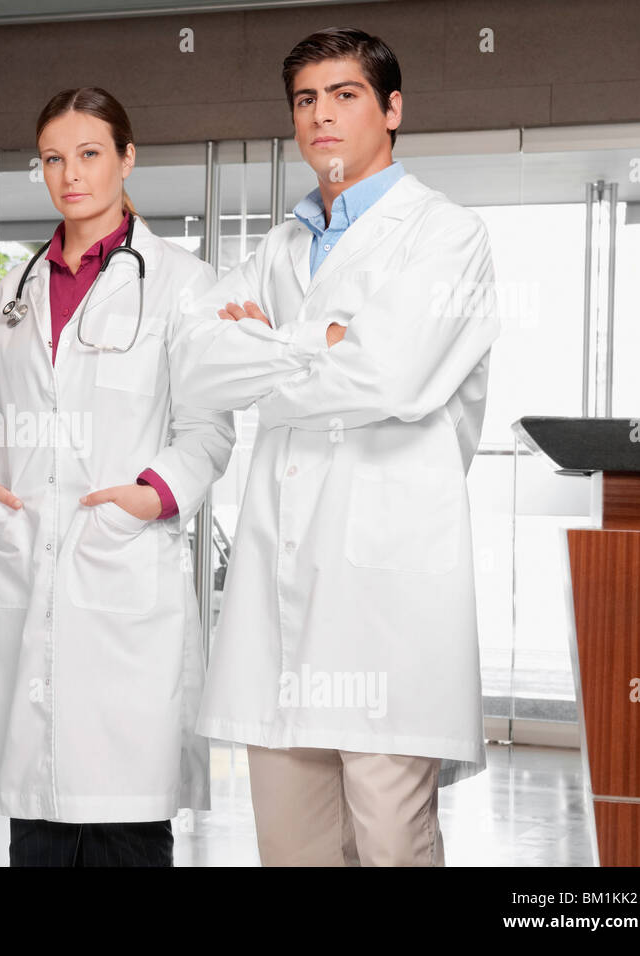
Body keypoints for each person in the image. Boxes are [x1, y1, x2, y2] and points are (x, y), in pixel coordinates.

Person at [172, 27, 500, 866]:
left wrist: (269, 349)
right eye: (306, 99)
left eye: (345, 94)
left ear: (392, 109)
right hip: (276, 607)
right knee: (294, 848)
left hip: (384, 598)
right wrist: (320, 338)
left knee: (392, 840)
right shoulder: (277, 248)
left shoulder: (447, 236)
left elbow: (388, 376)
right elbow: (194, 366)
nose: (322, 115)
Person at [0, 88, 236, 866]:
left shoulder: (182, 281)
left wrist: (148, 497)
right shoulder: (17, 290)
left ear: (126, 158)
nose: (70, 174)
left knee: (124, 828)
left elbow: (209, 428)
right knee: (37, 831)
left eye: (89, 154)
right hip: (28, 560)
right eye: (54, 157)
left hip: (121, 574)